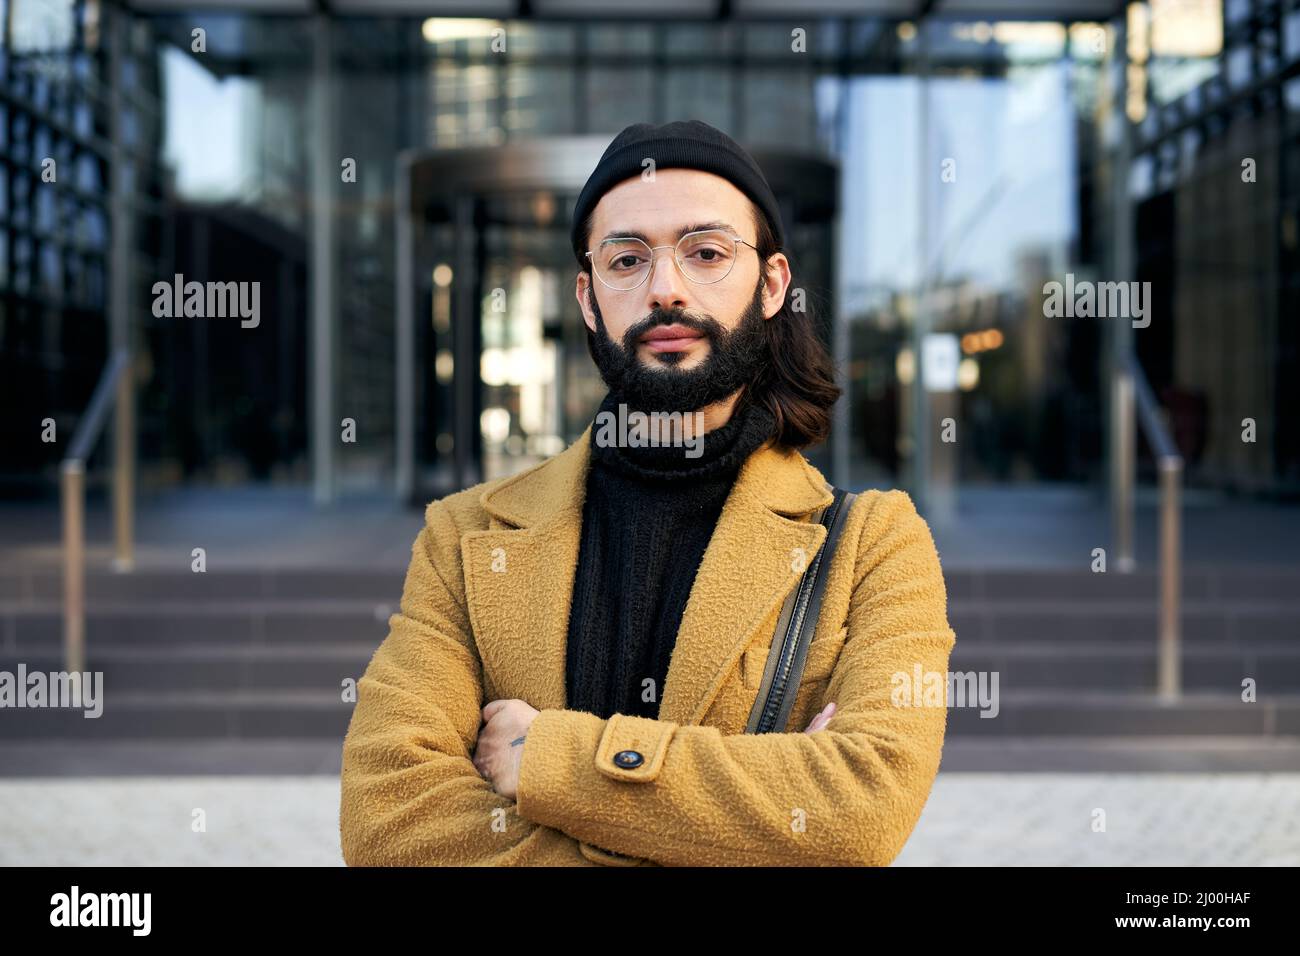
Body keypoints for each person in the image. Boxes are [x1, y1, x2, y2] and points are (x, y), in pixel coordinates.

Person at [339, 119, 956, 866]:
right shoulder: (463, 537)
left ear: (770, 285)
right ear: (590, 299)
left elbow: (858, 812)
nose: (665, 290)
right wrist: (727, 828)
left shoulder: (873, 545)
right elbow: (387, 825)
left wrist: (548, 758)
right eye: (626, 259)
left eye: (706, 253)